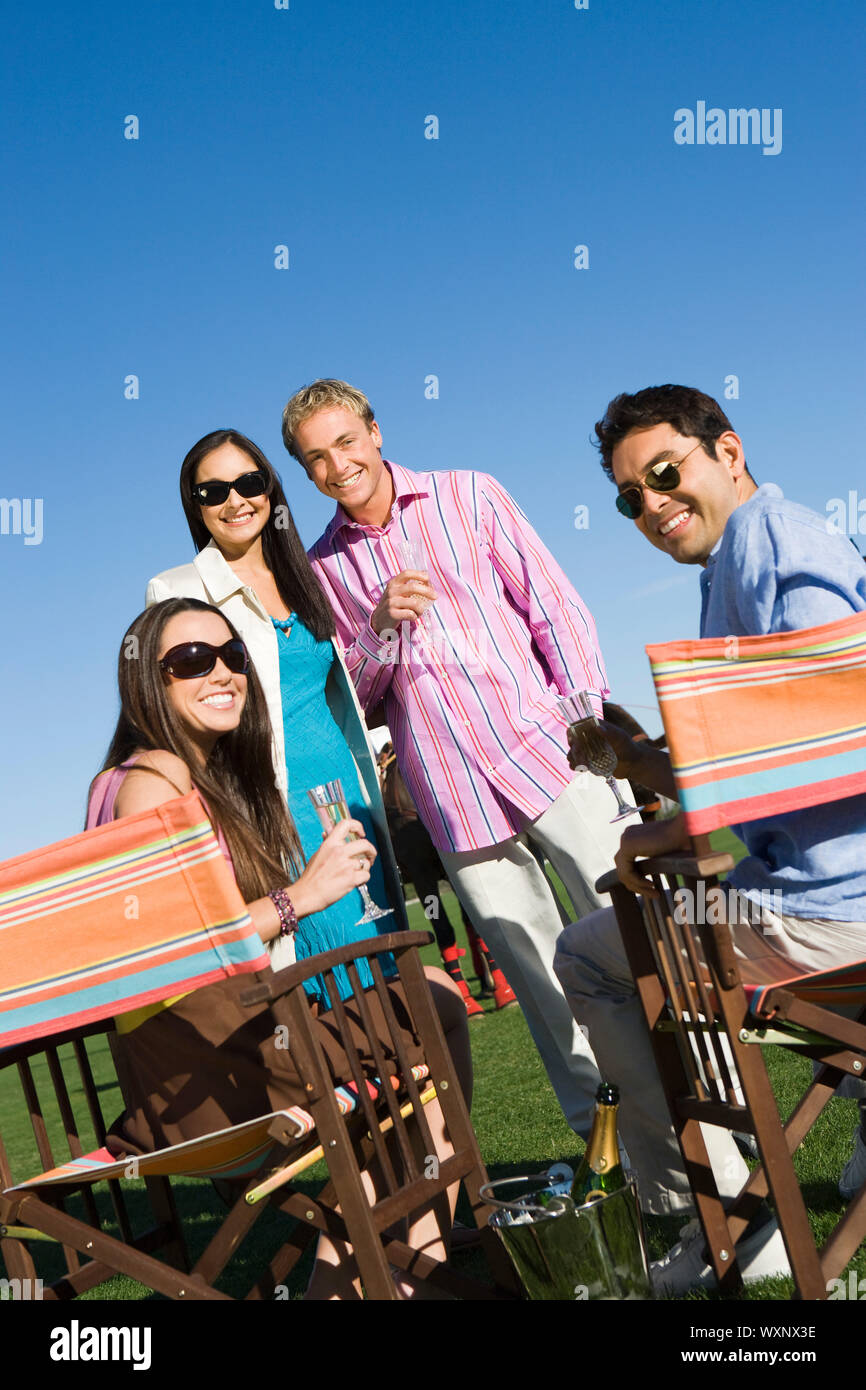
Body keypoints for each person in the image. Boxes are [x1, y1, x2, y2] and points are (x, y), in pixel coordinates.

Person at [552, 384, 866, 1292]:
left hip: (828, 916)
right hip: (805, 888)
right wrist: (645, 765)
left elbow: (828, 741)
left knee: (591, 957)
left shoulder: (782, 544)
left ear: (728, 452)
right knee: (660, 913)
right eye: (628, 496)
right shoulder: (737, 560)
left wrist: (667, 836)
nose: (650, 504)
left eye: (664, 474)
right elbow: (766, 776)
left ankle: (721, 1216)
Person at [281, 378, 640, 1138]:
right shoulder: (319, 571)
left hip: (555, 758)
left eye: (346, 441)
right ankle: (617, 1163)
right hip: (453, 801)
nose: (337, 464)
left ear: (376, 432)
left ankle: (714, 1126)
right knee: (545, 990)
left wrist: (584, 724)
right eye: (316, 458)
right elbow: (360, 700)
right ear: (306, 473)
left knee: (637, 939)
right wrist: (378, 628)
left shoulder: (469, 494)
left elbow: (555, 606)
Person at [89, 596, 472, 1300]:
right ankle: (419, 1249)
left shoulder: (166, 776)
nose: (224, 672)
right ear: (149, 681)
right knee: (432, 1005)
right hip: (212, 1080)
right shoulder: (152, 785)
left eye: (233, 656)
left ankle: (408, 1255)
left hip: (217, 1060)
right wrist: (304, 895)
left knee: (416, 1021)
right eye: (192, 661)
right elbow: (169, 944)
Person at [146, 429, 404, 994]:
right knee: (333, 971)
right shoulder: (175, 589)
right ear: (195, 506)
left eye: (248, 482)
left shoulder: (312, 575)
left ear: (271, 489)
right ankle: (351, 1078)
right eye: (212, 492)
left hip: (350, 793)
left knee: (390, 955)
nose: (235, 500)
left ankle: (409, 1075)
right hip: (273, 805)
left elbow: (350, 686)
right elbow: (174, 717)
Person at [377, 741, 517, 1015]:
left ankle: (499, 981)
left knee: (471, 905)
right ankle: (460, 990)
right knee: (435, 912)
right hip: (421, 874)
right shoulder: (390, 766)